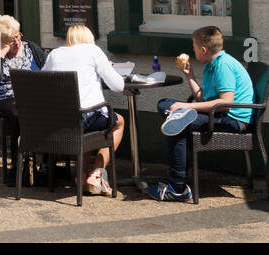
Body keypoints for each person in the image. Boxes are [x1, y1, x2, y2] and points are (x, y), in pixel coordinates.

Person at [147, 25, 254, 203]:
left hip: (234, 120)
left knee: (177, 128)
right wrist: (189, 76)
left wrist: (187, 107)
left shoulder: (223, 66)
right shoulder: (211, 64)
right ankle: (178, 117)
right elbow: (203, 98)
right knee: (164, 104)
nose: (193, 50)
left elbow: (226, 104)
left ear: (203, 49)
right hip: (218, 115)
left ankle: (177, 188)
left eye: (194, 47)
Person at [42, 25, 126, 195]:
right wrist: (105, 69)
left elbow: (42, 81)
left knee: (85, 124)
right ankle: (96, 173)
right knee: (119, 122)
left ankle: (80, 176)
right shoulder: (93, 51)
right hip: (85, 118)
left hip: (58, 120)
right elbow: (118, 86)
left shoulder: (55, 54)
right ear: (89, 39)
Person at [0, 14, 46, 184]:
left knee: (50, 108)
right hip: (6, 99)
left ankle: (46, 164)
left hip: (35, 97)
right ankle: (18, 164)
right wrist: (0, 54)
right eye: (11, 40)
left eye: (18, 36)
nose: (17, 42)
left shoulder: (31, 48)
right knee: (18, 112)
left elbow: (49, 69)